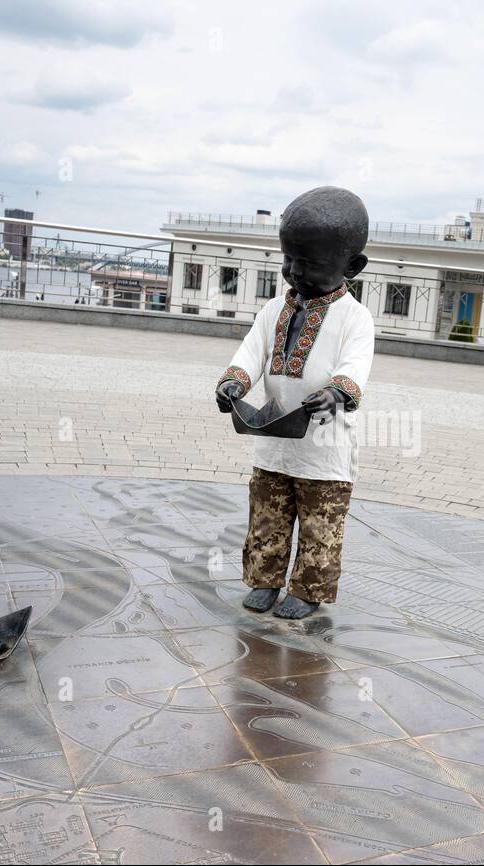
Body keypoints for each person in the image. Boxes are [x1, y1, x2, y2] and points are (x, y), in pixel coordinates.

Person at [215, 187, 375, 620]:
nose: (295, 272)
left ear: (352, 267)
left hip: (324, 450)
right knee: (267, 514)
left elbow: (355, 366)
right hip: (272, 439)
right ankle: (264, 580)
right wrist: (235, 382)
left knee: (320, 524)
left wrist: (337, 392)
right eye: (289, 260)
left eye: (311, 264)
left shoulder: (355, 319)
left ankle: (308, 589)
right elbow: (252, 351)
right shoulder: (272, 310)